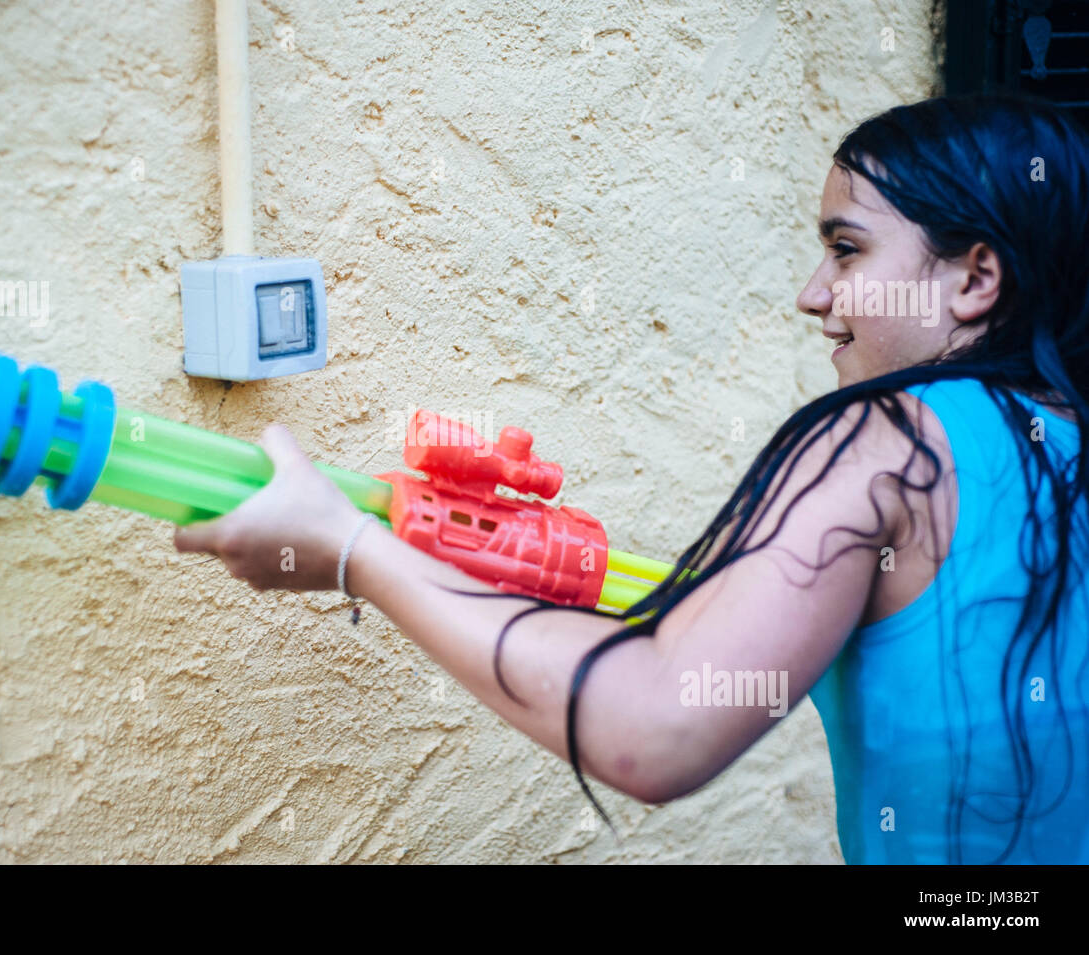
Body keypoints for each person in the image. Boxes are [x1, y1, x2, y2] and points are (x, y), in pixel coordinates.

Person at [174, 93, 1089, 864]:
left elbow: (656, 726)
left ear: (975, 279)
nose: (814, 292)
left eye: (847, 250)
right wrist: (495, 554)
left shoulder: (891, 440)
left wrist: (352, 551)